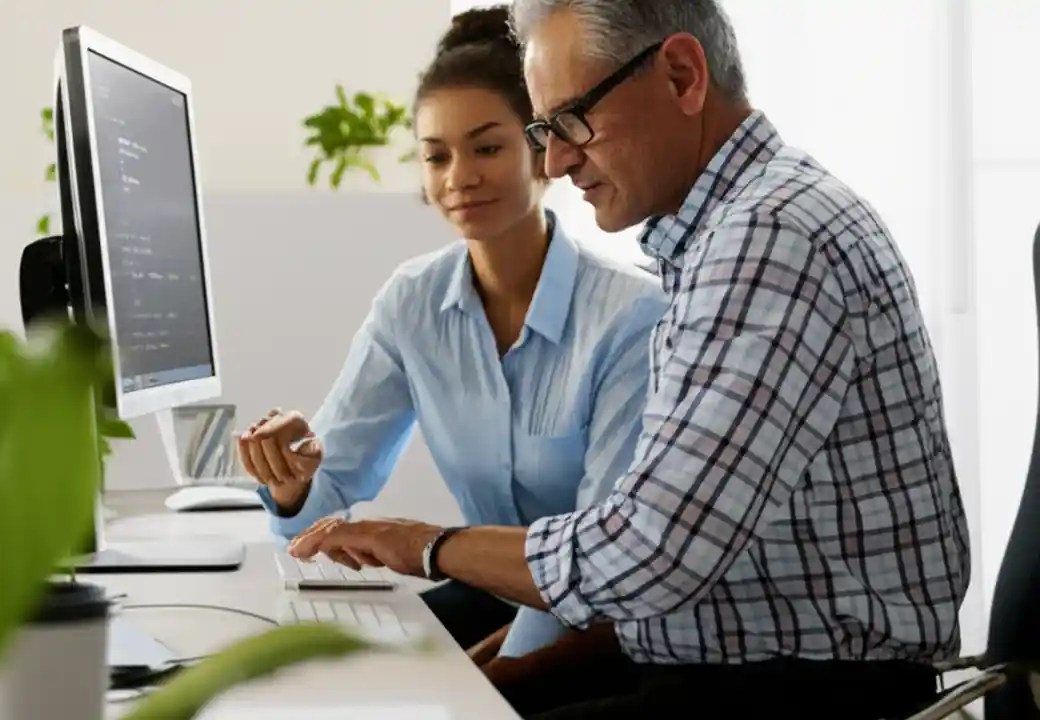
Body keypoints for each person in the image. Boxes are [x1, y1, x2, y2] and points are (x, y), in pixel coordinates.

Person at [284, 1, 973, 719]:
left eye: (573, 119)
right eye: (545, 131)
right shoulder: (725, 233)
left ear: (681, 76)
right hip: (707, 660)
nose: (557, 160)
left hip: (803, 690)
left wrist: (426, 545)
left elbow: (645, 553)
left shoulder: (769, 237)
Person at [235, 4, 665, 694]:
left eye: (487, 147)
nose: (458, 176)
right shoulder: (413, 302)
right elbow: (327, 500)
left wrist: (480, 680)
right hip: (493, 589)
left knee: (428, 698)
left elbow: (600, 567)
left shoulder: (631, 316)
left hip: (604, 624)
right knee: (328, 678)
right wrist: (293, 480)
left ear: (541, 151)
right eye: (437, 155)